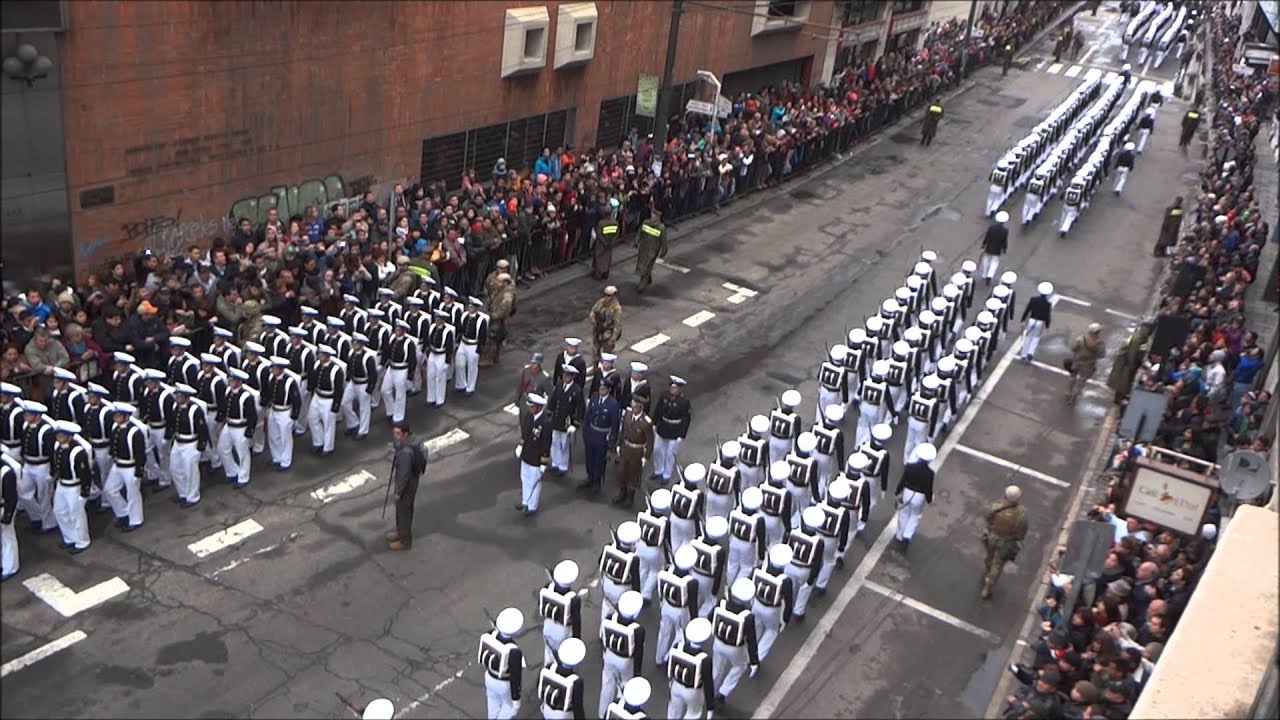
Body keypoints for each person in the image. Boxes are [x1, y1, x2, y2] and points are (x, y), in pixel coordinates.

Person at [711, 577, 760, 706]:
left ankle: (710, 692)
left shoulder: (722, 603)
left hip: (718, 642)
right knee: (740, 665)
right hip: (735, 648)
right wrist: (754, 661)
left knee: (717, 667)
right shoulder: (747, 617)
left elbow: (711, 617)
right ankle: (723, 691)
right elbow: (751, 639)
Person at [599, 590, 646, 718]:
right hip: (626, 661)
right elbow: (638, 654)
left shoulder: (609, 618)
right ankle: (620, 712)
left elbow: (604, 638)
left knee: (607, 683)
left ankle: (602, 713)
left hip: (609, 655)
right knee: (625, 685)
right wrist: (637, 674)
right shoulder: (637, 630)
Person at [51, 420, 92, 554]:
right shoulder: (58, 447)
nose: (58, 437)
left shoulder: (78, 452)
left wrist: (85, 492)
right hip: (62, 484)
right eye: (58, 435)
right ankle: (70, 537)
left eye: (61, 435)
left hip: (74, 486)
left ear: (69, 436)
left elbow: (85, 474)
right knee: (59, 511)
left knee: (77, 515)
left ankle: (82, 541)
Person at [981, 485, 1028, 599]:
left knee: (989, 556)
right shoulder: (1021, 514)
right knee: (998, 564)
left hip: (992, 536)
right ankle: (987, 588)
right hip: (1006, 542)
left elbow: (987, 517)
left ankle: (985, 572)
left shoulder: (997, 506)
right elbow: (1021, 534)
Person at [104, 402, 146, 530]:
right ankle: (123, 513)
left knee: (132, 494)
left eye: (118, 415)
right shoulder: (116, 428)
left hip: (130, 466)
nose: (115, 418)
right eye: (115, 415)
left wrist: (139, 471)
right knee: (109, 490)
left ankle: (136, 520)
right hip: (118, 465)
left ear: (126, 416)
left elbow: (140, 454)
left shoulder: (135, 432)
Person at [478, 607, 525, 720]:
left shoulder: (490, 635)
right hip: (503, 683)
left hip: (489, 677)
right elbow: (515, 677)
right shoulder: (514, 651)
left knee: (492, 704)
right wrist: (516, 699)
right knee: (508, 707)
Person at [666, 618, 715, 720]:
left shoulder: (677, 646)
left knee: (673, 712)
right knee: (693, 714)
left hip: (676, 685)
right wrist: (710, 707)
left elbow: (670, 665)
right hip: (693, 692)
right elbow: (708, 683)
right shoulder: (705, 659)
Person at [751, 544, 794, 661]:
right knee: (771, 631)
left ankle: (750, 654)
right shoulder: (785, 581)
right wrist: (785, 619)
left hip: (756, 604)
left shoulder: (758, 570)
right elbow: (788, 602)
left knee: (756, 628)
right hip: (772, 610)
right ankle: (758, 657)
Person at [387, 421, 425, 551]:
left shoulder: (405, 452)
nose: (395, 436)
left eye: (398, 434)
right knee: (403, 510)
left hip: (407, 486)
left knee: (403, 512)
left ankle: (405, 541)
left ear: (405, 434)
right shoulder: (411, 442)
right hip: (412, 480)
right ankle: (400, 531)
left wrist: (398, 492)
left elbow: (403, 475)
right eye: (394, 433)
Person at [580, 376, 621, 496]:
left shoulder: (613, 404)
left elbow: (615, 425)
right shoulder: (594, 397)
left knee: (599, 459)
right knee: (589, 457)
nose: (601, 389)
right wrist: (585, 431)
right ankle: (590, 477)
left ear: (609, 389)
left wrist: (611, 442)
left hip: (603, 435)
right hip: (591, 432)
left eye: (604, 388)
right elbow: (588, 415)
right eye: (600, 387)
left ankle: (597, 481)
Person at [893, 442, 936, 552]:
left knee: (903, 513)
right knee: (915, 516)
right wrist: (929, 499)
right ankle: (907, 536)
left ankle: (899, 535)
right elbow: (928, 489)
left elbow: (902, 481)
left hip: (907, 492)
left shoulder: (910, 467)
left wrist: (897, 492)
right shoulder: (930, 473)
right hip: (919, 496)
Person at [599, 521, 642, 625]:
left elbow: (600, 561)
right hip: (622, 589)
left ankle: (603, 629)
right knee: (619, 612)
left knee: (606, 606)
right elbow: (635, 581)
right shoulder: (633, 559)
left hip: (607, 583)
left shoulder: (609, 546)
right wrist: (636, 596)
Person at [516, 393, 552, 516]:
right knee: (524, 478)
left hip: (536, 458)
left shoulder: (546, 423)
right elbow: (525, 434)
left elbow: (546, 443)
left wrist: (544, 462)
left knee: (534, 482)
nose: (529, 409)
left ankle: (532, 506)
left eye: (532, 407)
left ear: (539, 407)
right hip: (526, 454)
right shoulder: (529, 416)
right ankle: (525, 501)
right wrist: (521, 445)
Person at [264, 356, 302, 471]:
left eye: (275, 368)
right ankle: (276, 457)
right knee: (273, 435)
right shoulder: (272, 378)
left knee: (285, 437)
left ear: (281, 369)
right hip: (274, 409)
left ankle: (285, 461)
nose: (273, 370)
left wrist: (294, 415)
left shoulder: (289, 382)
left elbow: (296, 399)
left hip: (285, 411)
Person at [652, 376, 691, 484]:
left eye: (675, 388)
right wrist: (654, 422)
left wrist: (682, 435)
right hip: (663, 426)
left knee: (670, 454)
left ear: (680, 389)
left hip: (675, 430)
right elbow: (658, 409)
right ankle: (658, 470)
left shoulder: (684, 402)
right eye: (672, 387)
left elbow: (686, 419)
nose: (672, 390)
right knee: (657, 450)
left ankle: (666, 474)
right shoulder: (664, 396)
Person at [537, 636, 586, 720]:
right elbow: (578, 707)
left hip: (547, 710)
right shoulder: (576, 681)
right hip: (563, 715)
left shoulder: (549, 667)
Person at [548, 365, 583, 476]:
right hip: (556, 419)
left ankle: (563, 466)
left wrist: (575, 424)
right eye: (564, 375)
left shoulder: (576, 390)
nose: (564, 377)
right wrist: (549, 411)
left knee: (564, 445)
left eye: (567, 375)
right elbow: (553, 399)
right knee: (554, 442)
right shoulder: (559, 385)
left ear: (572, 377)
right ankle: (555, 463)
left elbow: (580, 408)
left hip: (567, 422)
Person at [454, 298, 489, 396]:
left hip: (473, 345)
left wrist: (479, 349)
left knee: (472, 367)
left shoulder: (481, 320)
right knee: (459, 364)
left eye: (472, 306)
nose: (469, 307)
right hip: (463, 342)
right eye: (469, 305)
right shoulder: (464, 316)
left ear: (476, 308)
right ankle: (461, 384)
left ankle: (470, 387)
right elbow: (460, 330)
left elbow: (482, 336)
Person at [480, 273, 515, 368]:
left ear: (505, 283)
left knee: (493, 338)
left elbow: (504, 309)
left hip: (499, 320)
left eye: (499, 281)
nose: (496, 282)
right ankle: (495, 357)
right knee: (497, 338)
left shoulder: (507, 295)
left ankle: (489, 359)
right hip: (497, 317)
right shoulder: (501, 290)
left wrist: (493, 316)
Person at [1066, 323, 1106, 405]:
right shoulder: (1099, 343)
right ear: (1098, 332)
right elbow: (1101, 355)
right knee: (1081, 381)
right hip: (1089, 364)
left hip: (1077, 361)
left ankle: (1069, 392)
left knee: (1073, 376)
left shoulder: (1081, 339)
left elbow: (1073, 348)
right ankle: (1073, 397)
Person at [589, 287, 624, 365]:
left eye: (609, 295)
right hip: (598, 330)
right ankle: (595, 367)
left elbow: (617, 325)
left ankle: (607, 368)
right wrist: (593, 319)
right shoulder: (601, 302)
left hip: (608, 332)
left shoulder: (616, 308)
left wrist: (612, 339)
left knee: (607, 354)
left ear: (614, 296)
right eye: (606, 295)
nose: (606, 297)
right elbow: (593, 311)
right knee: (595, 350)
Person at [1020, 282, 1054, 361]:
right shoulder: (1048, 304)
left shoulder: (1033, 299)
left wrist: (1023, 319)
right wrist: (1047, 325)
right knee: (1036, 337)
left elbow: (1027, 310)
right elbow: (1047, 316)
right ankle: (1030, 352)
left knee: (1028, 337)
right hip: (1040, 322)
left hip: (1031, 320)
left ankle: (1023, 354)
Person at [635, 211, 668, 292]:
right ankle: (647, 279)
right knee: (645, 265)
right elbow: (639, 232)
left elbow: (663, 241)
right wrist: (636, 241)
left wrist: (663, 251)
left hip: (650, 250)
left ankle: (642, 285)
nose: (652, 217)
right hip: (646, 249)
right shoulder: (647, 223)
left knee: (647, 266)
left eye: (654, 215)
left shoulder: (660, 227)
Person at [1, 450, 19, 579]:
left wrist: (8, 515)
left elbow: (12, 498)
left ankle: (10, 568)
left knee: (7, 537)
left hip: (3, 508)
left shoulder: (6, 472)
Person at [593, 202, 620, 280]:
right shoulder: (615, 222)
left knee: (599, 257)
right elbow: (617, 233)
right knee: (607, 257)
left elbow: (599, 234)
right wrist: (612, 242)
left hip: (602, 243)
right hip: (610, 243)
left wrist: (604, 242)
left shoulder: (601, 223)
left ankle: (598, 274)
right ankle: (606, 273)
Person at [981, 212, 1010, 285]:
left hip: (989, 247)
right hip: (997, 249)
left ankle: (984, 274)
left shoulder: (992, 227)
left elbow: (987, 237)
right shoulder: (1005, 231)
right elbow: (1004, 241)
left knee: (986, 260)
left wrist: (983, 244)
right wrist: (1004, 249)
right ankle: (990, 275)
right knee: (994, 262)